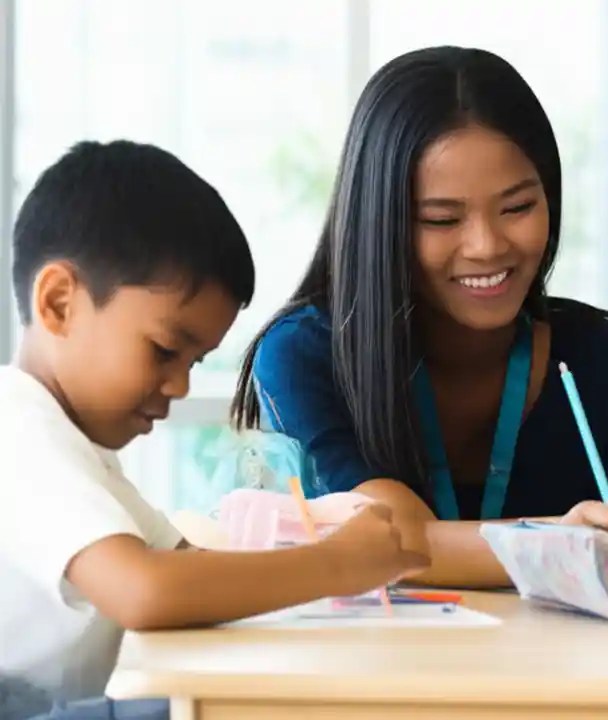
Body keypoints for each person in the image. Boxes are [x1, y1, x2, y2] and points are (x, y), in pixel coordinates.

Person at [0, 141, 425, 720]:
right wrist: (337, 565)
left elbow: (185, 560)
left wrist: (324, 537)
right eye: (165, 350)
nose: (177, 386)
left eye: (193, 364)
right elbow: (146, 590)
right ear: (58, 302)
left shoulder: (80, 453)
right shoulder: (17, 427)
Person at [232, 47, 608, 587]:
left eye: (518, 208)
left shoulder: (600, 361)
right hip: (359, 669)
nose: (486, 246)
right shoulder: (306, 354)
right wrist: (561, 541)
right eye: (442, 218)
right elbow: (394, 545)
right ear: (380, 222)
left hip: (555, 672)